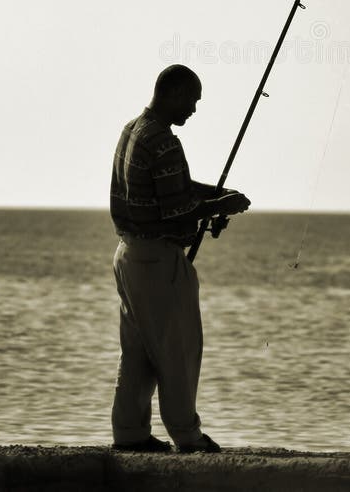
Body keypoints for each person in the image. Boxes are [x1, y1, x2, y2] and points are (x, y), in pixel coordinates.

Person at [109, 64, 250, 454]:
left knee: (138, 352)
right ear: (172, 92)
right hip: (157, 262)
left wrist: (217, 195)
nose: (193, 109)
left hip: (128, 255)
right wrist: (222, 206)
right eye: (191, 100)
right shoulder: (164, 142)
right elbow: (176, 213)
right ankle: (188, 436)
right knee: (178, 350)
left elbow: (176, 189)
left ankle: (129, 433)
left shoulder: (133, 131)